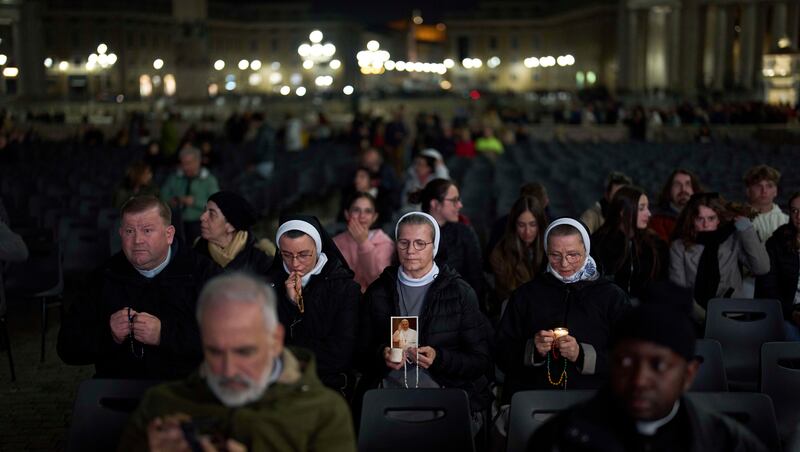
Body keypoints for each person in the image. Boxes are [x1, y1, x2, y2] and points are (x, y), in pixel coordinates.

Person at [118, 272, 356, 452]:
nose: (228, 370)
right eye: (215, 352)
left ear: (275, 340)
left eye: (244, 352)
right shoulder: (161, 405)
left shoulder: (323, 413)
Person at [530, 304, 767, 452]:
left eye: (659, 365)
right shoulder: (560, 438)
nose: (640, 380)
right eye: (626, 362)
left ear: (688, 374)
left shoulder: (727, 442)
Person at [57, 196, 219, 379]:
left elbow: (227, 341)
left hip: (182, 390)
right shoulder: (102, 277)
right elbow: (66, 347)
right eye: (129, 231)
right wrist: (109, 335)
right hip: (117, 389)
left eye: (147, 230)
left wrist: (163, 335)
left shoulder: (205, 274)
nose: (137, 240)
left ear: (169, 234)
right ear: (120, 234)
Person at [359, 212, 492, 419]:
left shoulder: (460, 293)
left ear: (434, 246)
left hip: (443, 394)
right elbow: (359, 352)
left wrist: (439, 358)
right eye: (404, 242)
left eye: (420, 243)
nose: (410, 250)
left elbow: (480, 360)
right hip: (388, 394)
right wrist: (381, 354)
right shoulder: (379, 291)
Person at [496, 218, 629, 402]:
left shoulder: (612, 297)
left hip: (594, 400)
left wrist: (582, 355)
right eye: (555, 255)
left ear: (586, 251)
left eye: (573, 255)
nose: (564, 264)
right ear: (546, 252)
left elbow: (629, 356)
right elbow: (501, 353)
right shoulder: (526, 295)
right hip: (534, 398)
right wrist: (532, 351)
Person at [267, 215, 360, 396]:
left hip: (329, 385)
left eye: (303, 255)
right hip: (277, 384)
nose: (294, 263)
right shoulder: (266, 286)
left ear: (317, 249)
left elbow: (340, 353)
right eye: (286, 255)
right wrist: (290, 303)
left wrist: (299, 306)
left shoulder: (345, 289)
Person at [669, 193, 770, 324]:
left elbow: (762, 268)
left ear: (718, 219)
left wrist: (747, 229)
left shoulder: (733, 239)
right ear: (691, 220)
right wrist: (708, 319)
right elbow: (679, 291)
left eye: (711, 218)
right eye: (700, 219)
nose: (705, 224)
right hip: (692, 317)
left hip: (732, 315)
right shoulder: (679, 247)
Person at [411, 178, 484, 301]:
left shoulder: (464, 232)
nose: (460, 205)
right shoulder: (412, 233)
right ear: (435, 204)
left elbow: (476, 277)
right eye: (454, 200)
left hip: (460, 303)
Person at [591, 186, 668, 300]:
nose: (649, 213)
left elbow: (661, 283)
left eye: (647, 207)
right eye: (642, 208)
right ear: (622, 211)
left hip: (645, 310)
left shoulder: (656, 244)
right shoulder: (600, 242)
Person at [194, 190, 272, 276]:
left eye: (212, 214)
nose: (202, 217)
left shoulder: (260, 259)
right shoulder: (197, 251)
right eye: (204, 211)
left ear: (231, 226)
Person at [756, 192, 800, 341]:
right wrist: (791, 313)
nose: (799, 216)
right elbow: (767, 288)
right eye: (794, 211)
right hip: (787, 313)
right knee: (788, 334)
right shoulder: (776, 243)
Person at [489, 196, 549, 304]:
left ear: (540, 224)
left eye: (533, 224)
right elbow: (506, 295)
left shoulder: (551, 248)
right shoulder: (500, 254)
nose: (527, 231)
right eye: (521, 225)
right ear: (514, 225)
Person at [333, 192, 394, 292]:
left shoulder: (385, 243)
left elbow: (377, 282)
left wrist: (363, 243)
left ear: (374, 217)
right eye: (356, 210)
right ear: (347, 214)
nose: (362, 216)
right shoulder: (336, 243)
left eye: (368, 211)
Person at [161, 146, 220, 243]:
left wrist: (194, 202)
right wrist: (171, 201)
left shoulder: (209, 180)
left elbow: (216, 204)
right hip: (176, 221)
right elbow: (163, 195)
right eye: (182, 164)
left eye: (188, 163)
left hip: (200, 223)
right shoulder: (174, 177)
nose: (185, 167)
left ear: (197, 162)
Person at [650, 169, 703, 242]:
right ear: (669, 190)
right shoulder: (658, 220)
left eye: (688, 184)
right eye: (677, 185)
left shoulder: (707, 217)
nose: (683, 189)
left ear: (694, 190)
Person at [744, 164, 789, 243]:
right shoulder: (737, 222)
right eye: (758, 186)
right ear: (748, 191)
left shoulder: (788, 222)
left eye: (769, 186)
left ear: (776, 191)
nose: (764, 191)